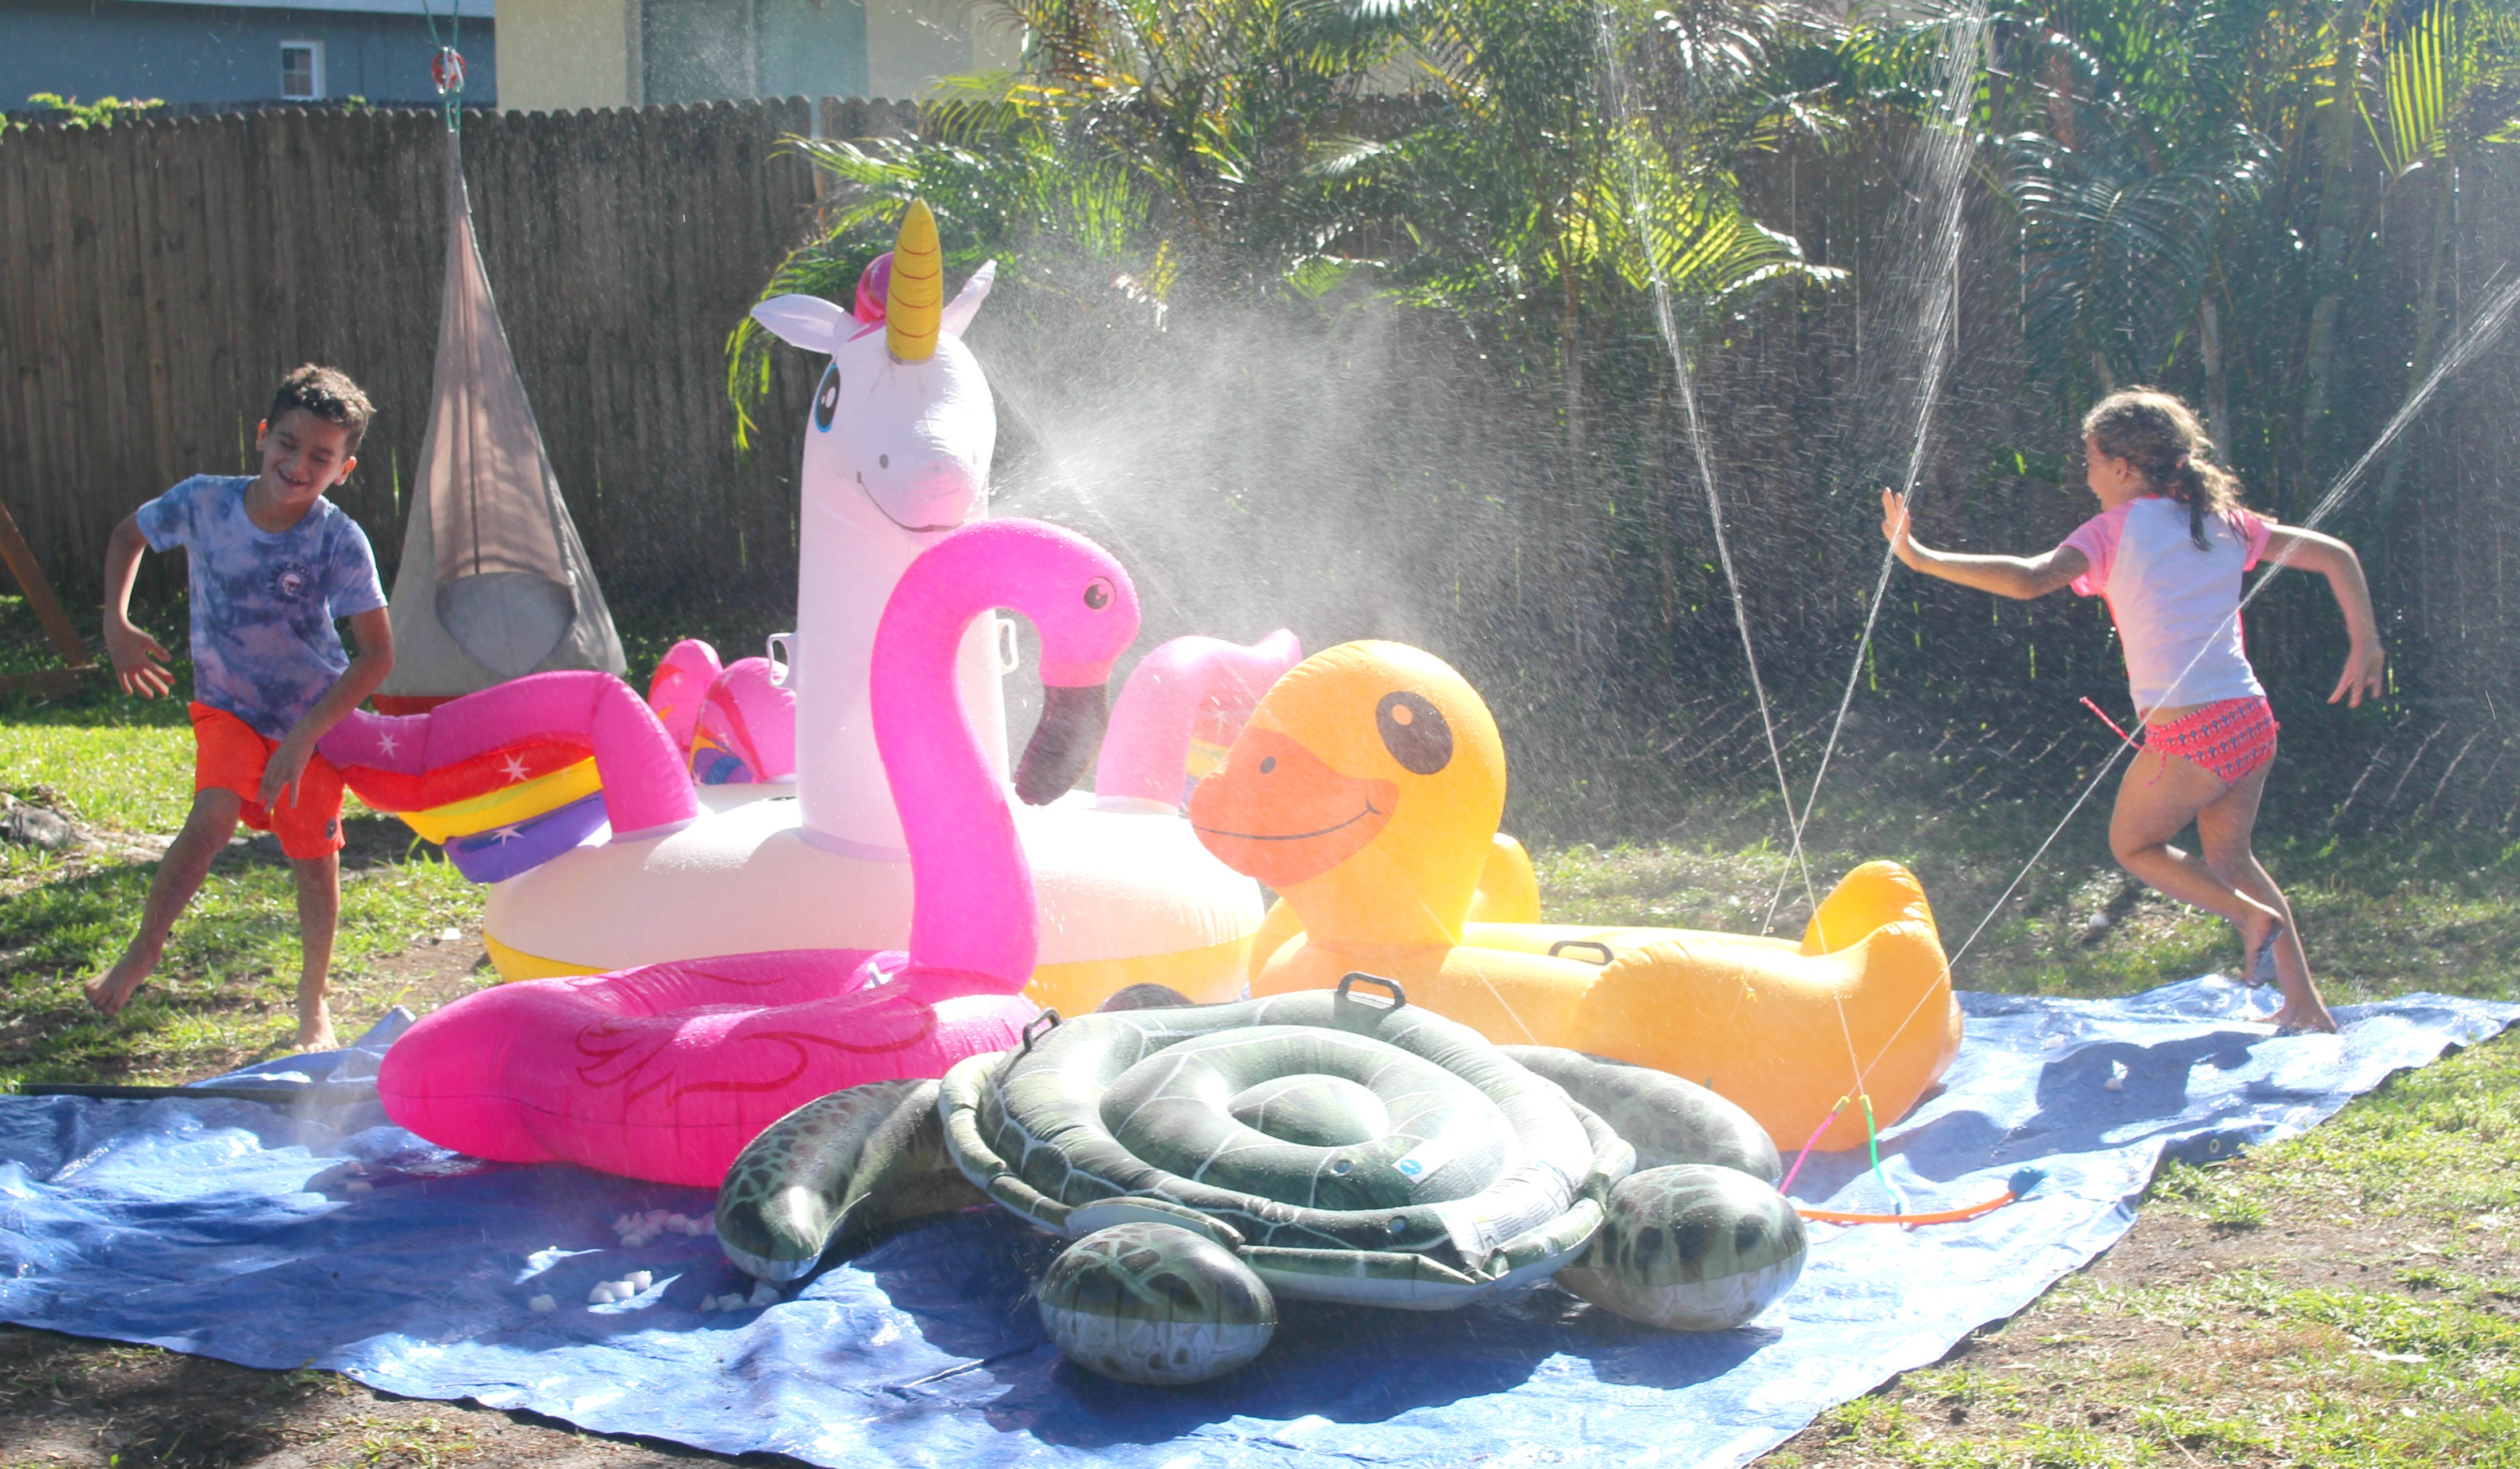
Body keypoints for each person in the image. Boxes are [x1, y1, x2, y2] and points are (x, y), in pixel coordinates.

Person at [1881, 387, 2383, 1034]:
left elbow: (2032, 578)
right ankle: (2305, 1003)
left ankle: (2252, 919)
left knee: (2134, 843)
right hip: (2250, 721)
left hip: (2192, 733)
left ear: (2123, 466)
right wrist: (2366, 641)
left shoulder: (2115, 529)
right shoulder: (2224, 522)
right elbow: (2335, 554)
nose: (2087, 478)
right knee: (2232, 860)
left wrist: (1922, 557)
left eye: (2090, 461)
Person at [87, 365, 394, 1051]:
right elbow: (123, 537)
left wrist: (305, 738)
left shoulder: (336, 539)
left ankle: (313, 998)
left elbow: (377, 656)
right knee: (213, 816)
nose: (298, 464)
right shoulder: (203, 503)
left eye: (321, 456)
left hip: (311, 720)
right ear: (263, 437)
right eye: (288, 443)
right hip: (226, 706)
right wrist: (117, 622)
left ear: (344, 468)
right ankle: (144, 948)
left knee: (314, 859)